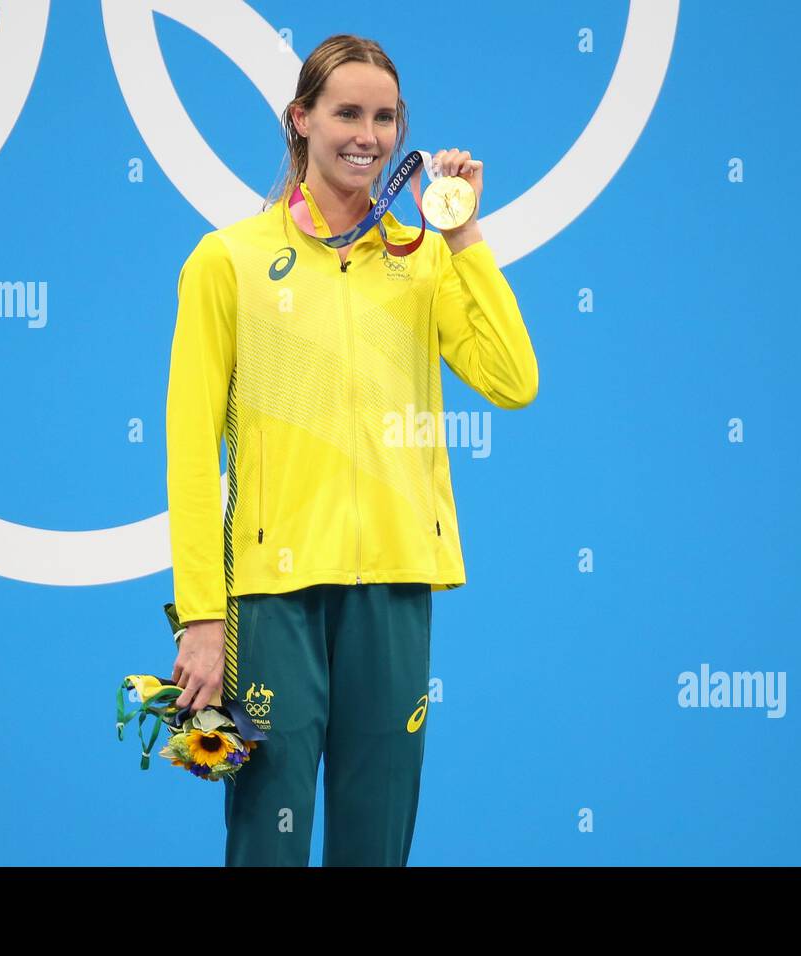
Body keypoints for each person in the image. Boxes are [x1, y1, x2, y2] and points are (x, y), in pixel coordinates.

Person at [164, 33, 539, 866]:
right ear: (300, 120)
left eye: (385, 117)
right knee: (269, 838)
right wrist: (200, 614)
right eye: (346, 113)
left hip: (397, 584)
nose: (367, 134)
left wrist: (466, 234)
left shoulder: (422, 264)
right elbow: (191, 452)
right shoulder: (227, 261)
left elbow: (514, 380)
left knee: (376, 844)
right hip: (273, 597)